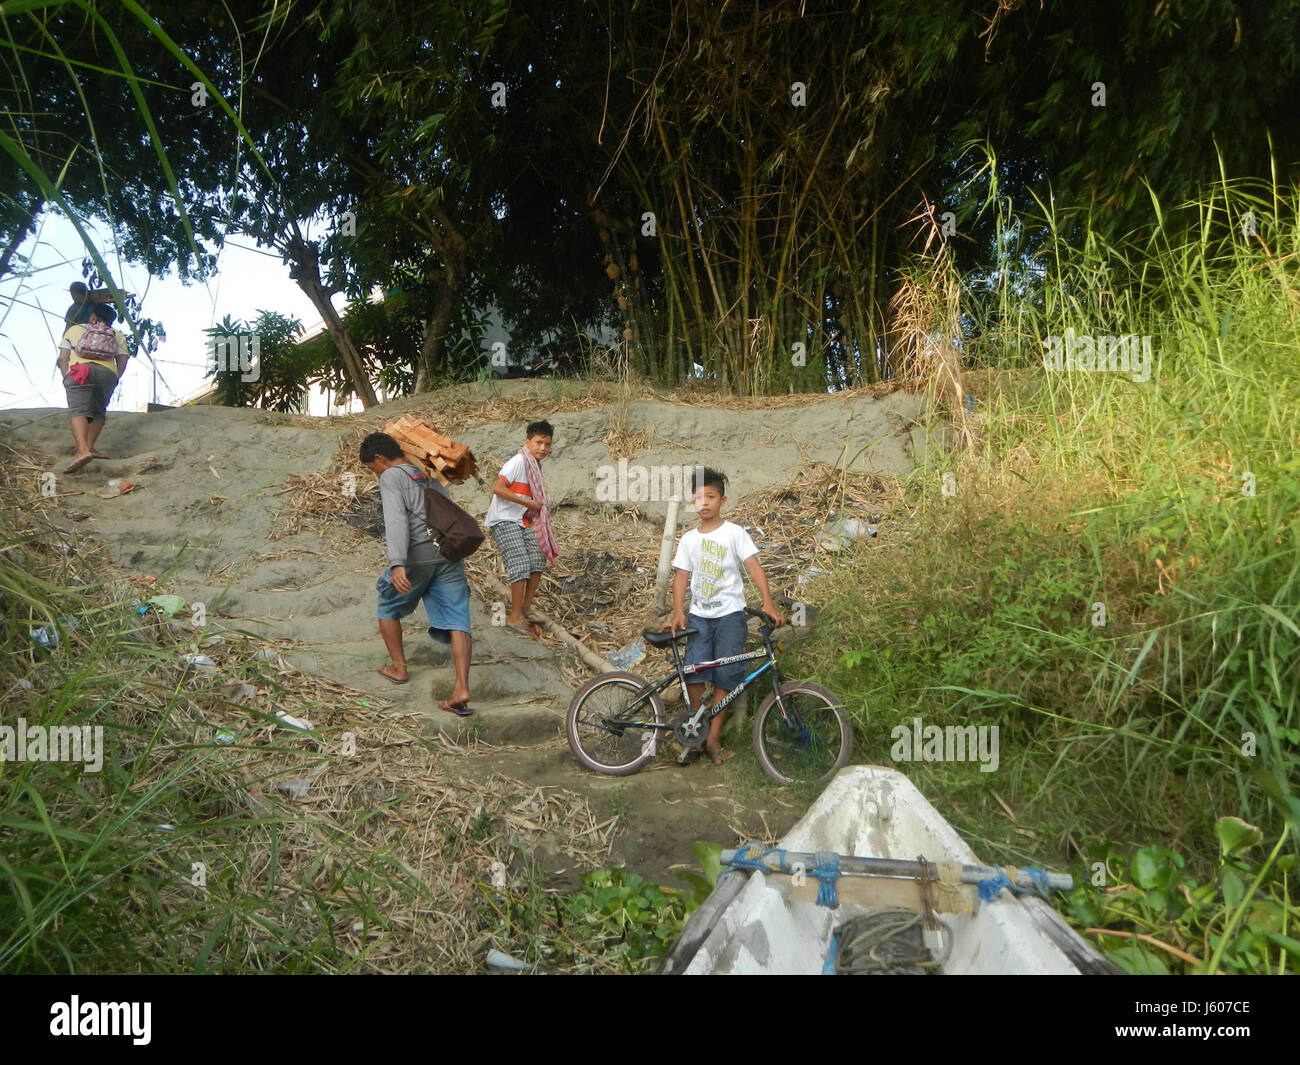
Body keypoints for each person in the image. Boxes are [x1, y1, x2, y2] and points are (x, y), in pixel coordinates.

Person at [662, 467, 784, 765]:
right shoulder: (689, 539)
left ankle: (712, 737)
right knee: (694, 670)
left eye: (711, 497)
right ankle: (697, 727)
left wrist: (767, 602)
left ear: (722, 500)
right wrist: (679, 611)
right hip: (700, 617)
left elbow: (753, 565)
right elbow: (680, 577)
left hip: (730, 616)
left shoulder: (734, 533)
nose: (704, 503)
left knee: (727, 676)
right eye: (698, 498)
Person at [359, 431, 475, 717]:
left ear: (379, 458)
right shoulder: (428, 470)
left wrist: (397, 563)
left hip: (417, 555)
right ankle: (461, 687)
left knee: (387, 603)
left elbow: (396, 520)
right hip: (448, 553)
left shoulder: (391, 476)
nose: (374, 473)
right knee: (458, 617)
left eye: (371, 467)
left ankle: (398, 667)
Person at [486, 419, 556, 634]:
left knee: (537, 558)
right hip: (504, 519)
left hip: (521, 520)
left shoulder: (534, 465)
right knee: (520, 563)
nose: (543, 448)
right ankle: (515, 616)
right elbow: (498, 489)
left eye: (547, 444)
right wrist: (528, 504)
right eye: (538, 443)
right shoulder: (517, 461)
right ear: (527, 442)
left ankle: (525, 608)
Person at [57, 302, 130, 473]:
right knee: (98, 411)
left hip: (79, 370)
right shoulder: (116, 334)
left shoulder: (74, 330)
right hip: (107, 373)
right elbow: (123, 358)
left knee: (79, 410)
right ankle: (90, 448)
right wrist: (115, 376)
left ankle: (83, 451)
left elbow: (63, 357)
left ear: (93, 316)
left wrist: (66, 375)